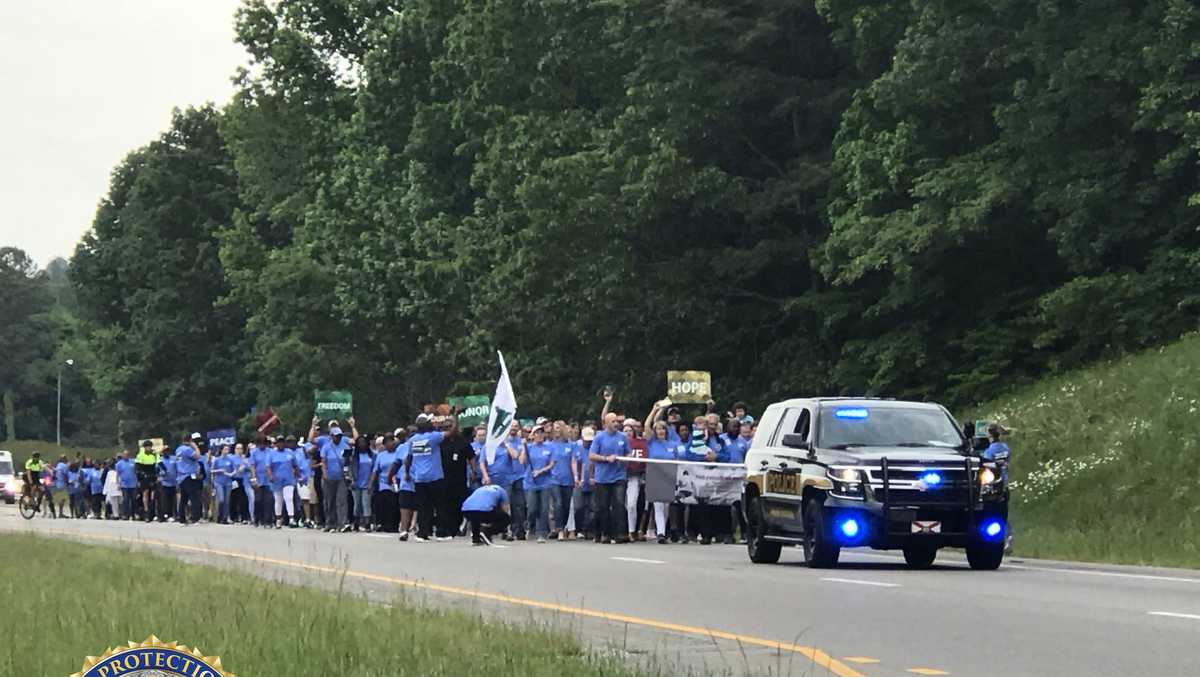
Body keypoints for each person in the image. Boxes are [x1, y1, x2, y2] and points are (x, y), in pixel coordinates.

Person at [402, 415, 451, 541]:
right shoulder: (433, 436)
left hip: (419, 478)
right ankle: (441, 532)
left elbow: (409, 458)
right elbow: (450, 432)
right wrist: (455, 416)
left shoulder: (413, 440)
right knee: (440, 505)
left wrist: (407, 473)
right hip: (435, 476)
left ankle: (423, 533)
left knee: (423, 507)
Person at [309, 416, 358, 533]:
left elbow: (356, 440)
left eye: (339, 435)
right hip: (328, 477)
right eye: (336, 436)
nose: (338, 438)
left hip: (341, 477)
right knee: (329, 501)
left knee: (341, 500)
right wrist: (325, 475)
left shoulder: (345, 442)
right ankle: (330, 523)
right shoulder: (326, 446)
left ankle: (343, 523)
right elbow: (323, 461)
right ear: (331, 436)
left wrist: (353, 426)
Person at [589, 412, 629, 544]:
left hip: (619, 476)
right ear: (606, 424)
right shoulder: (599, 437)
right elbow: (592, 455)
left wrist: (626, 459)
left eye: (617, 421)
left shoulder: (623, 437)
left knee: (619, 504)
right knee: (602, 507)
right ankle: (603, 533)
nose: (616, 424)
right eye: (613, 422)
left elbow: (628, 452)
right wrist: (606, 458)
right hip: (603, 477)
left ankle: (619, 534)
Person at [439, 416, 475, 537]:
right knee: (444, 505)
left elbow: (471, 457)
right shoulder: (440, 441)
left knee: (458, 504)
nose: (448, 429)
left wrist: (474, 471)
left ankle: (456, 528)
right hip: (443, 479)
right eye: (445, 428)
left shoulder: (463, 441)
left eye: (450, 427)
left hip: (459, 480)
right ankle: (445, 529)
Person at [645, 421, 678, 543]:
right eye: (658, 429)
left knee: (666, 506)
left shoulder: (673, 444)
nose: (660, 431)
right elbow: (647, 426)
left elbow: (676, 460)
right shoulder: (651, 442)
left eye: (662, 429)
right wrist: (656, 410)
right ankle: (661, 533)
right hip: (655, 475)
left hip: (668, 477)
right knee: (658, 505)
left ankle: (662, 529)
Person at [524, 425, 555, 542]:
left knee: (544, 508)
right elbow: (522, 461)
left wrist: (541, 471)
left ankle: (542, 532)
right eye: (537, 433)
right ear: (533, 435)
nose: (540, 435)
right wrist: (524, 447)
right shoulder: (529, 447)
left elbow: (552, 464)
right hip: (531, 483)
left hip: (545, 482)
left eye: (542, 432)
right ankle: (529, 526)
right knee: (532, 508)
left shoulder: (549, 448)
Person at [549, 422, 577, 540]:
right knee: (558, 503)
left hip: (568, 479)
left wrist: (576, 476)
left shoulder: (571, 445)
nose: (556, 430)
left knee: (566, 505)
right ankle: (559, 529)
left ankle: (565, 526)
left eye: (558, 428)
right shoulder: (549, 445)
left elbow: (573, 462)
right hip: (554, 478)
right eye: (555, 428)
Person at [623, 419, 648, 541]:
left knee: (632, 504)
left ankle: (631, 531)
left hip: (634, 477)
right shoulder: (617, 442)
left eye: (629, 430)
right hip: (619, 477)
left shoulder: (641, 442)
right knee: (620, 505)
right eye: (625, 430)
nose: (627, 433)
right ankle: (622, 530)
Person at [267, 435, 300, 529]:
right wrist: (270, 476)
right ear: (277, 444)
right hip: (277, 480)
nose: (281, 444)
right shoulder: (272, 454)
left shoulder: (289, 453)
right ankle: (278, 518)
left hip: (289, 479)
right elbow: (268, 467)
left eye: (282, 442)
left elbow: (295, 465)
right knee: (278, 500)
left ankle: (291, 518)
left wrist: (299, 476)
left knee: (288, 498)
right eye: (279, 442)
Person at [372, 433, 400, 533]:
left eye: (391, 442)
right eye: (387, 443)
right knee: (384, 504)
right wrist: (371, 484)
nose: (389, 444)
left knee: (394, 505)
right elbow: (376, 470)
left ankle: (393, 525)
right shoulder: (381, 455)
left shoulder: (398, 453)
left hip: (396, 482)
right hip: (384, 483)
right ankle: (383, 524)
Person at [175, 433, 205, 526]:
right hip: (189, 476)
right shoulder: (187, 449)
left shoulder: (178, 449)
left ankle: (182, 518)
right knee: (194, 497)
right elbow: (198, 456)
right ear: (190, 440)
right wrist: (195, 447)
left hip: (181, 477)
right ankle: (195, 518)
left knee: (183, 499)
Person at [350, 436, 375, 531]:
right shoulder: (354, 456)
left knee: (366, 503)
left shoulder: (372, 455)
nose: (362, 445)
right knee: (357, 504)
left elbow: (374, 470)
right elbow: (350, 470)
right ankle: (356, 523)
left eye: (364, 442)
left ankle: (367, 523)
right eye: (360, 443)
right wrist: (352, 480)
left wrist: (371, 483)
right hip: (356, 483)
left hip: (367, 483)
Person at [251, 438, 274, 528]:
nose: (262, 444)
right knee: (258, 500)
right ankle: (257, 519)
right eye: (260, 443)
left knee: (268, 501)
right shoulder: (254, 452)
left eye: (264, 443)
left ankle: (267, 520)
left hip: (268, 479)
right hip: (259, 478)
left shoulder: (270, 452)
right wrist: (253, 478)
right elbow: (253, 466)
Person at [135, 440, 159, 522]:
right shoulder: (140, 455)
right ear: (144, 447)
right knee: (145, 493)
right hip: (144, 476)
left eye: (150, 446)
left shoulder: (154, 455)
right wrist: (141, 474)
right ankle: (146, 511)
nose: (149, 448)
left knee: (153, 495)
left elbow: (158, 463)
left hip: (152, 475)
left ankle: (153, 511)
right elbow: (137, 467)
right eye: (147, 446)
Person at [211, 445, 235, 525]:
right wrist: (219, 470)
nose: (226, 450)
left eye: (228, 449)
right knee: (221, 500)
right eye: (225, 449)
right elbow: (212, 471)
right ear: (221, 450)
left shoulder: (230, 460)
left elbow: (234, 469)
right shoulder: (217, 460)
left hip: (228, 482)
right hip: (219, 482)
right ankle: (219, 516)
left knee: (227, 501)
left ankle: (225, 518)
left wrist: (232, 474)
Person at [115, 451, 138, 520]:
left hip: (133, 484)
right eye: (125, 454)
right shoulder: (119, 464)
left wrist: (137, 482)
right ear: (122, 455)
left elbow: (136, 472)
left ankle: (133, 514)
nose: (126, 456)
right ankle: (125, 514)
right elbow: (117, 474)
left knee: (134, 500)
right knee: (126, 500)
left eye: (127, 454)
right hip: (124, 485)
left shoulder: (133, 462)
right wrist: (118, 483)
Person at [157, 447, 177, 522]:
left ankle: (171, 515)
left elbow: (177, 469)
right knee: (164, 500)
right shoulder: (160, 460)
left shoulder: (173, 459)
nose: (166, 452)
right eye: (165, 451)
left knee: (172, 500)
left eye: (168, 451)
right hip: (164, 483)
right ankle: (163, 515)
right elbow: (157, 471)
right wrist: (160, 474)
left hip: (173, 483)